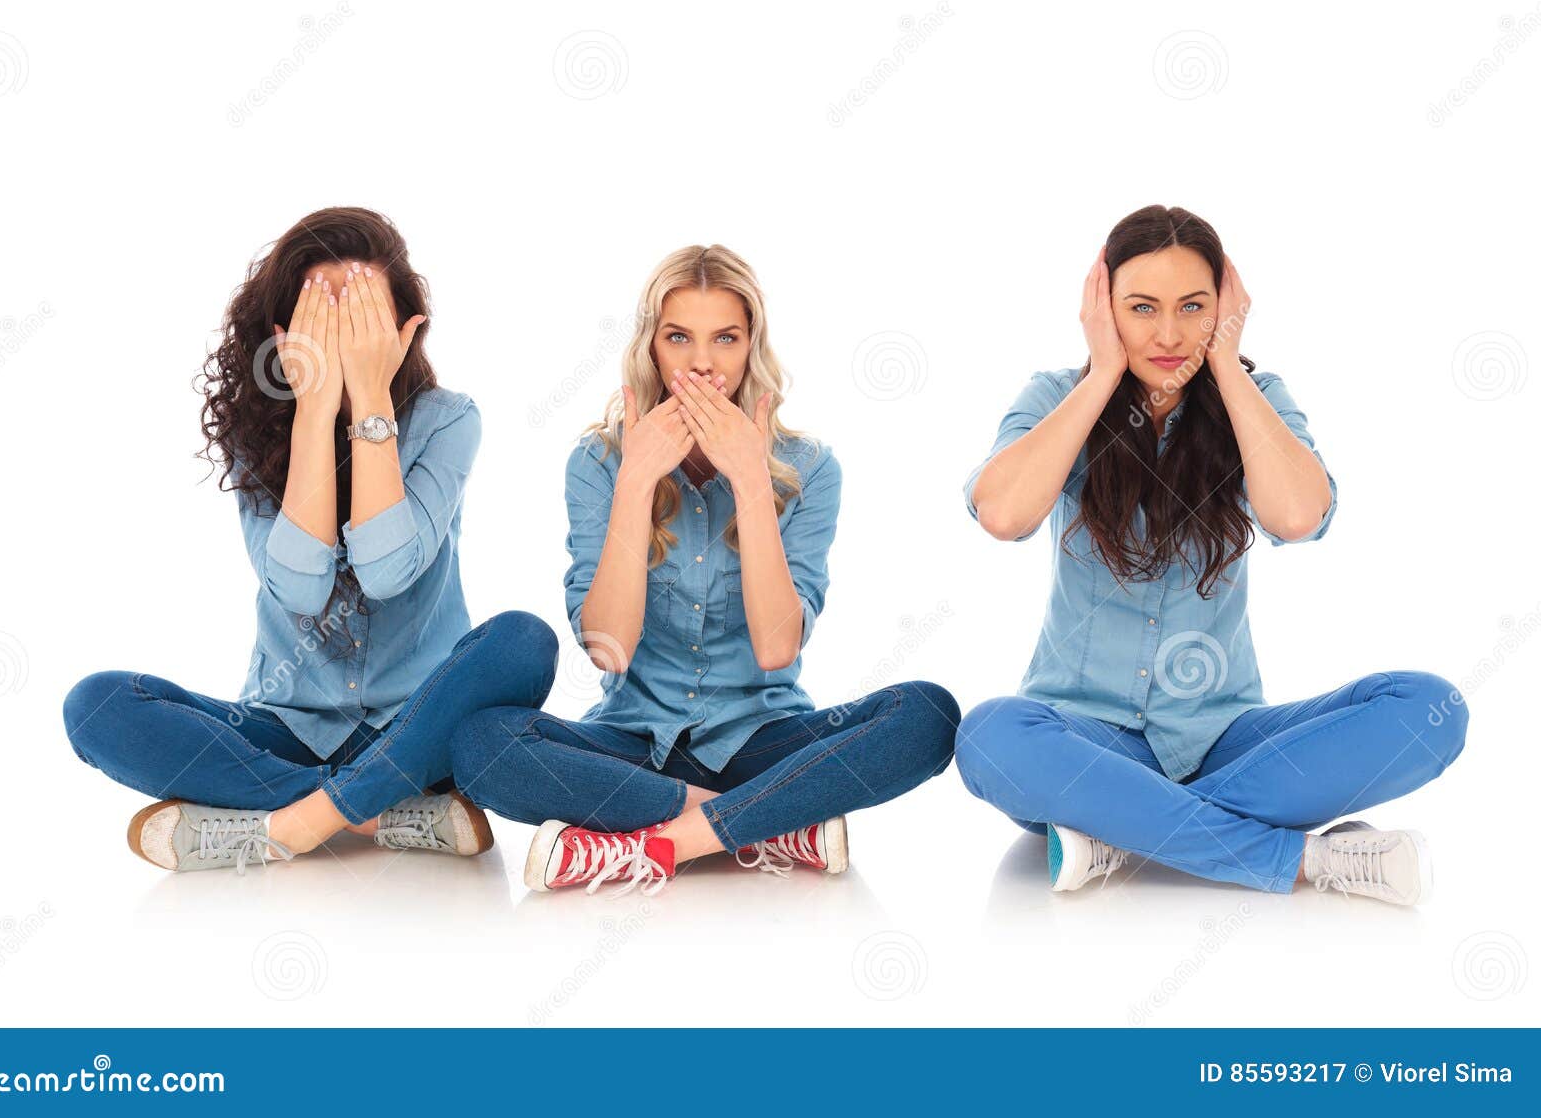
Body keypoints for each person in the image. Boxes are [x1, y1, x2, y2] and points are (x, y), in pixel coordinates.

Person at [956, 205, 1466, 906]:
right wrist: (1103, 373)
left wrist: (1225, 362)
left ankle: (1119, 830)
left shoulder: (1255, 398)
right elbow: (1002, 513)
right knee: (990, 735)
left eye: (1193, 307)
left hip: (1225, 738)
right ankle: (1301, 859)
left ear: (1223, 311)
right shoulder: (1057, 396)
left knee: (1430, 708)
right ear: (1104, 310)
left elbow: (1298, 515)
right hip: (1083, 742)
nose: (1169, 335)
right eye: (1142, 308)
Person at [453, 245, 959, 895]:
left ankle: (657, 843)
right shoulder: (598, 463)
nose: (701, 362)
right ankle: (770, 824)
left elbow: (777, 648)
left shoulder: (810, 468)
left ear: (751, 347)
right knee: (481, 744)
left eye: (725, 338)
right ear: (651, 347)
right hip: (632, 746)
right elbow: (609, 649)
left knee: (929, 714)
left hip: (764, 742)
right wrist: (637, 480)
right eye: (678, 337)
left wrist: (750, 478)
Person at [63, 207, 557, 873]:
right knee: (96, 706)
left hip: (417, 729)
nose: (346, 337)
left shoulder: (448, 421)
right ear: (286, 337)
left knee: (525, 642)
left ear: (405, 329)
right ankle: (380, 813)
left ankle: (294, 823)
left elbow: (386, 572)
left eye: (363, 318)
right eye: (326, 318)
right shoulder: (253, 435)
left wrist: (369, 397)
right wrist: (316, 411)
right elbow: (300, 587)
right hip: (289, 726)